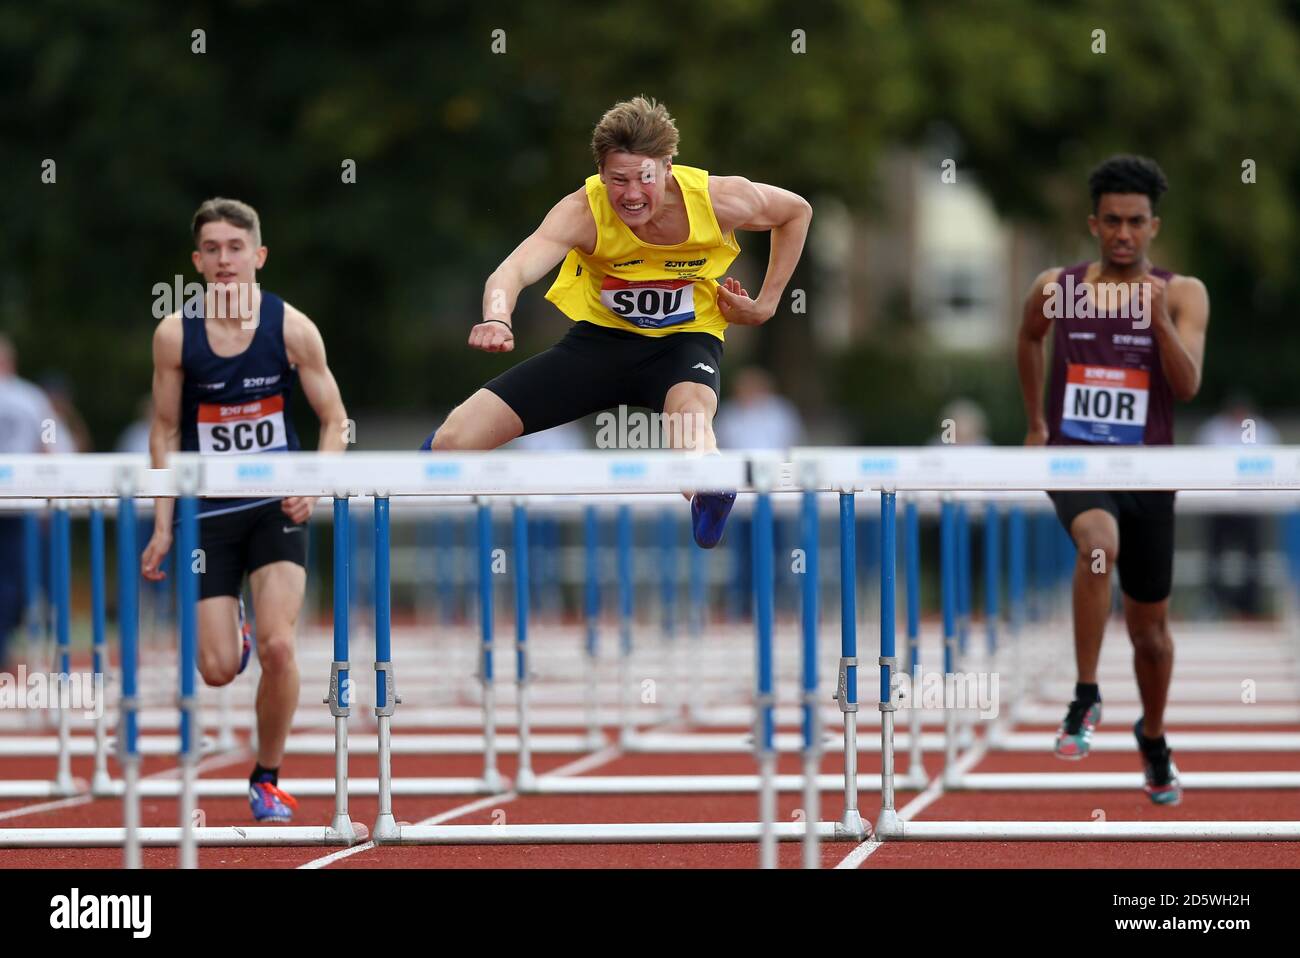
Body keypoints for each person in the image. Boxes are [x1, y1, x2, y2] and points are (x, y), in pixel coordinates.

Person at [420, 96, 812, 548]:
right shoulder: (583, 211)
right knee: (453, 441)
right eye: (617, 180)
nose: (630, 195)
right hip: (598, 347)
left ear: (667, 167)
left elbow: (796, 211)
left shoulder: (720, 200)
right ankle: (387, 504)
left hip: (684, 343)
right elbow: (513, 270)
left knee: (691, 420)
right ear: (601, 174)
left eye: (643, 178)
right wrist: (497, 316)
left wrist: (766, 303)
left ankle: (709, 486)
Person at [140, 198, 349, 822]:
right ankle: (240, 629)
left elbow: (336, 421)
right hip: (208, 513)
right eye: (213, 249)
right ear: (198, 261)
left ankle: (267, 776)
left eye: (236, 248)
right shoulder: (176, 334)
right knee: (218, 669)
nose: (225, 259)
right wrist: (162, 523)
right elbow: (166, 432)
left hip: (274, 504)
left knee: (281, 650)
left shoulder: (291, 328)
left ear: (257, 256)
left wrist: (314, 481)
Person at [1017, 155, 1209, 806]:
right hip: (1076, 461)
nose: (1123, 233)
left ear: (1153, 226)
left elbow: (1186, 387)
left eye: (1136, 222)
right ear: (1092, 223)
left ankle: (1153, 738)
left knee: (1151, 635)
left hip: (1150, 468)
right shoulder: (1058, 286)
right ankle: (1086, 694)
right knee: (1098, 544)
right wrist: (1036, 423)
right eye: (1112, 222)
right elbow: (1028, 337)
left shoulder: (1182, 293)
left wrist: (1155, 321)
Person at [0, 335, 56, 674]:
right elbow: (48, 442)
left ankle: (5, 637)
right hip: (19, 499)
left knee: (16, 581)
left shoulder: (31, 397)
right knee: (16, 580)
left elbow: (47, 443)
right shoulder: (33, 398)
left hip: (19, 501)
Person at [1196, 395, 1280, 616]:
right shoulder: (1212, 430)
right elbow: (1202, 465)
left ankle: (1250, 606)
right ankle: (1214, 602)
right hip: (1220, 506)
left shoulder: (1263, 431)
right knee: (1215, 556)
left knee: (1252, 557)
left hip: (1250, 507)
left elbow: (1271, 465)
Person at [713, 366, 804, 451]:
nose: (749, 391)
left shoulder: (781, 410)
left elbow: (793, 441)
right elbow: (720, 444)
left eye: (753, 386)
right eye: (745, 387)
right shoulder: (727, 413)